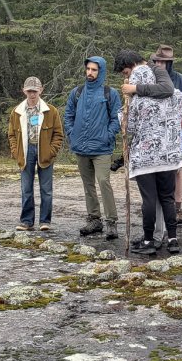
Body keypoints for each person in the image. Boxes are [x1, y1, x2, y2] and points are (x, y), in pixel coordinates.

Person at [119, 58, 182, 255]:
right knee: (167, 198)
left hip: (145, 158)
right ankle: (173, 239)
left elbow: (129, 128)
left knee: (149, 199)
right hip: (169, 155)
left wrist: (122, 112)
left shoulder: (137, 102)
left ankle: (149, 240)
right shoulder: (173, 96)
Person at [63, 57, 123, 240]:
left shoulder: (109, 93)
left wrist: (108, 135)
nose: (90, 72)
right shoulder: (77, 92)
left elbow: (117, 118)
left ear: (101, 71)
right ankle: (94, 219)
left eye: (94, 70)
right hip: (81, 147)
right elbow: (68, 115)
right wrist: (72, 134)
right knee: (88, 185)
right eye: (88, 69)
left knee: (104, 181)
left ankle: (111, 221)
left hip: (102, 148)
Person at [7, 77, 65, 232]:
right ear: (24, 91)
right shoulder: (17, 112)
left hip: (44, 152)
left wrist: (52, 151)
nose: (32, 94)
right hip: (25, 152)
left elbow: (58, 134)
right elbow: (11, 134)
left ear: (41, 90)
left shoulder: (51, 111)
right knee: (26, 188)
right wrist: (16, 151)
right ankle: (26, 221)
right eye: (29, 91)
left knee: (46, 189)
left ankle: (45, 221)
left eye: (35, 91)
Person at [152, 45, 182, 223]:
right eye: (157, 61)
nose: (160, 64)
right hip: (156, 129)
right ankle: (159, 206)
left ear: (169, 63)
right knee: (157, 169)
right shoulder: (151, 78)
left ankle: (178, 208)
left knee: (178, 169)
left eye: (163, 61)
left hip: (176, 128)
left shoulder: (179, 79)